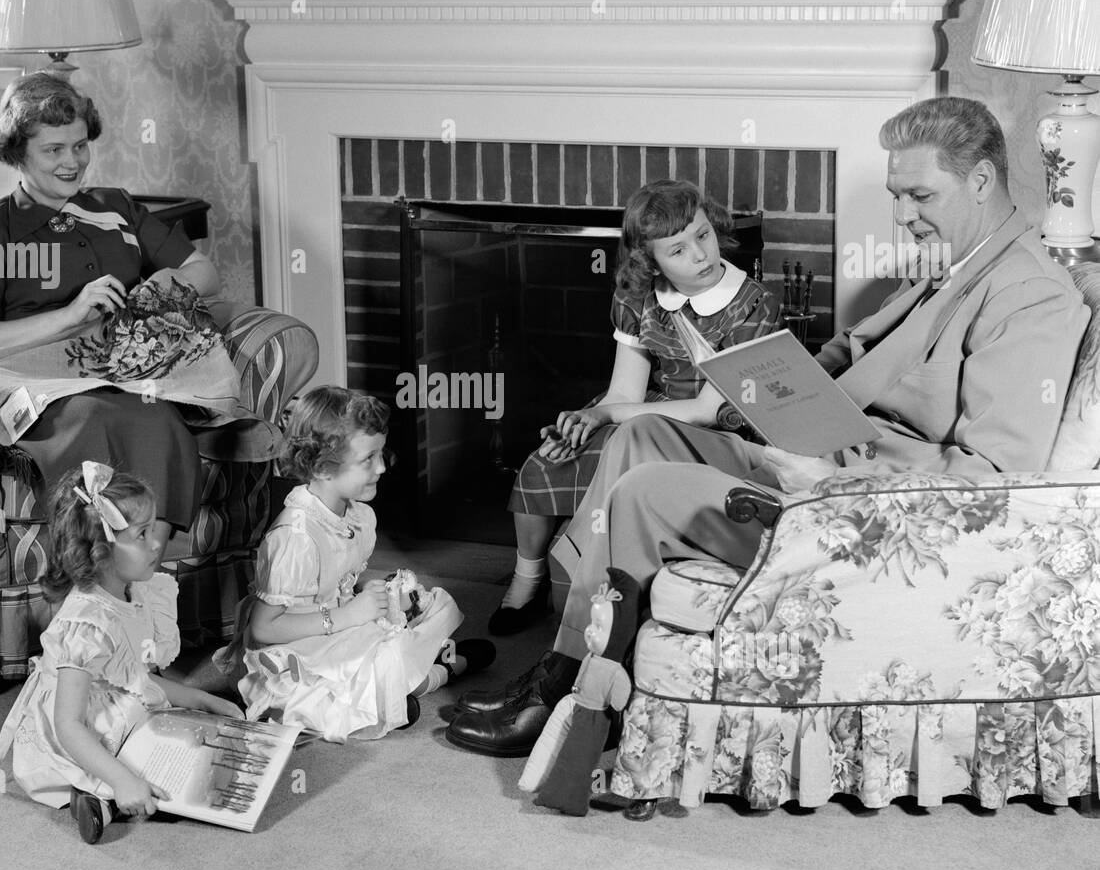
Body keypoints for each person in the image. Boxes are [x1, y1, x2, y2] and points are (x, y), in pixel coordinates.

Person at [447, 96, 1090, 757]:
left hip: (856, 506)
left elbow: (994, 482)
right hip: (811, 452)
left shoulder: (1028, 294)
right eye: (898, 196)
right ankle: (572, 665)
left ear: (981, 180)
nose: (903, 217)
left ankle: (572, 693)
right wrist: (770, 384)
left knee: (640, 492)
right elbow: (853, 361)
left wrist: (831, 471)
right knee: (638, 437)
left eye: (919, 195)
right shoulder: (952, 264)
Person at [0, 71, 222, 545]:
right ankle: (96, 566)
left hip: (123, 367)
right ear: (17, 153)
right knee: (100, 415)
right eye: (53, 150)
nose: (72, 162)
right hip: (28, 380)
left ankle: (145, 568)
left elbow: (205, 273)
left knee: (156, 413)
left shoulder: (117, 208)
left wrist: (155, 287)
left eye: (80, 146)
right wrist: (72, 314)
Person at [490, 180, 779, 638]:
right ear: (652, 261)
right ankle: (529, 579)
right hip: (642, 410)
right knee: (544, 464)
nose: (700, 256)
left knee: (626, 456)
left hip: (714, 430)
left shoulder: (753, 302)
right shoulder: (638, 296)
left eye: (703, 236)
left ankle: (587, 582)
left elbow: (707, 410)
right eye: (678, 250)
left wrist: (607, 417)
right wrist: (587, 419)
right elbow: (625, 390)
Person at [212, 386, 495, 742]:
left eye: (381, 454)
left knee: (428, 607)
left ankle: (420, 672)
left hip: (338, 624)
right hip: (296, 646)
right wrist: (348, 617)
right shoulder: (294, 537)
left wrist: (383, 599)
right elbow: (263, 630)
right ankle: (444, 671)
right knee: (384, 667)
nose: (381, 467)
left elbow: (341, 586)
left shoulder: (360, 516)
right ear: (323, 467)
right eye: (368, 459)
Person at [0, 462, 242, 844]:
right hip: (76, 722)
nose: (157, 542)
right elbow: (69, 724)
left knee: (172, 731)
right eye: (142, 535)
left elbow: (134, 678)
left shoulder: (134, 591)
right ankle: (100, 797)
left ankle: (124, 787)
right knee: (134, 759)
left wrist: (200, 698)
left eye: (152, 528)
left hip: (113, 698)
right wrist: (123, 778)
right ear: (101, 553)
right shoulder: (87, 624)